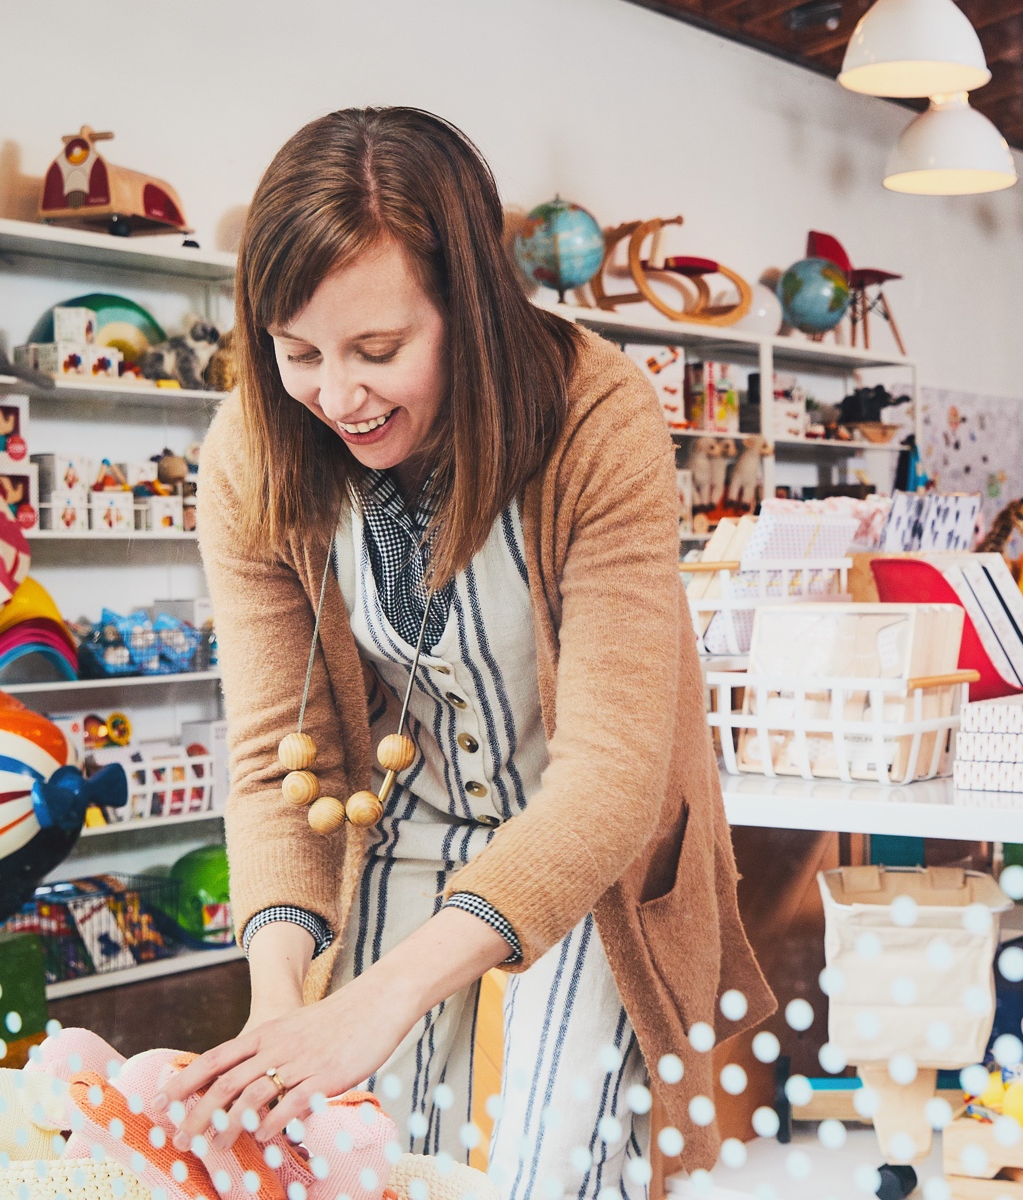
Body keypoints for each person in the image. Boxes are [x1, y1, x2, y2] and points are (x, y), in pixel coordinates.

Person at [162, 107, 770, 1197]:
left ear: (469, 309)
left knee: (549, 1168)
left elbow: (611, 779)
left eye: (379, 350)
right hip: (407, 831)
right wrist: (280, 1004)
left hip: (588, 856)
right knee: (357, 1157)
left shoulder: (592, 413)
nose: (338, 396)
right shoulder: (254, 452)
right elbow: (273, 763)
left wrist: (379, 1001)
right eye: (298, 352)